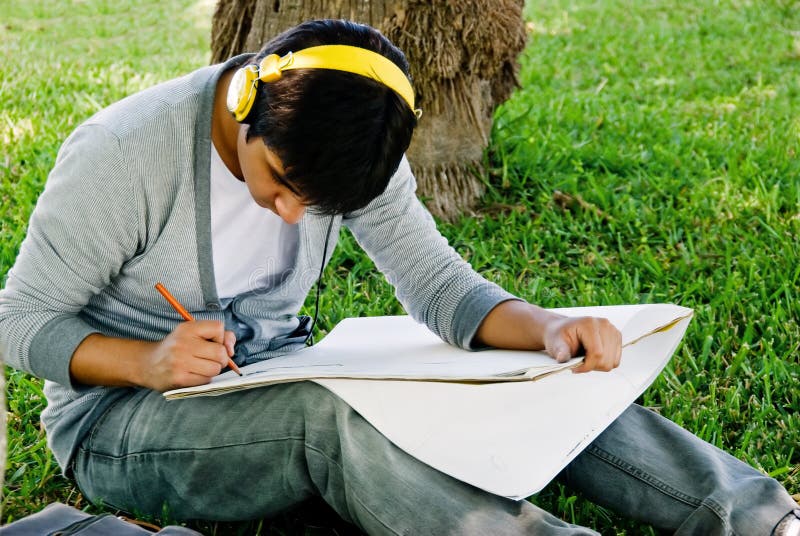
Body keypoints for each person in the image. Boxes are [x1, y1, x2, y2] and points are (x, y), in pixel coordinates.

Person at [1, 19, 798, 535]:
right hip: (123, 423)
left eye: (316, 204)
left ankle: (758, 517)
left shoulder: (357, 150)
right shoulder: (124, 155)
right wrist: (145, 361)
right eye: (281, 180)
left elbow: (440, 287)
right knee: (328, 416)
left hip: (279, 375)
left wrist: (548, 329)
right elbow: (18, 318)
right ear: (247, 100)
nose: (290, 213)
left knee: (522, 366)